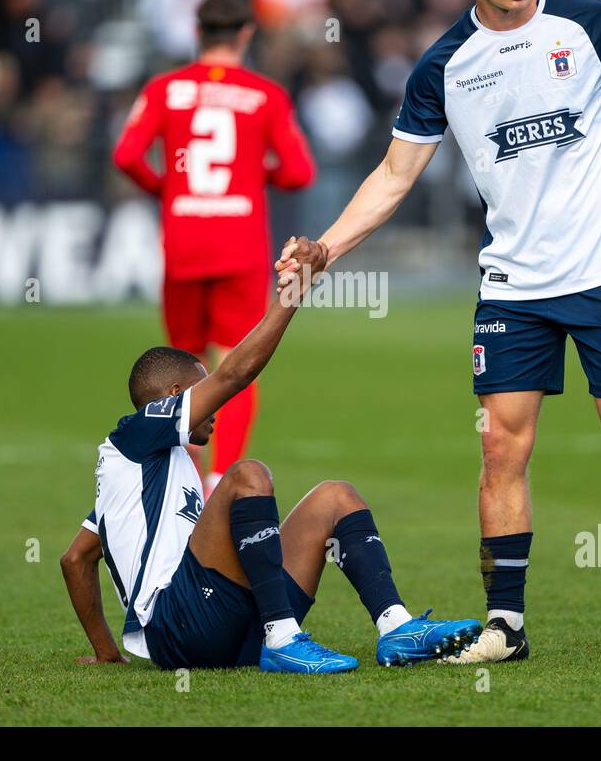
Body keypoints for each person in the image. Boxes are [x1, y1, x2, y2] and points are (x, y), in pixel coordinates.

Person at [278, 0, 601, 661]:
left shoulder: (592, 23)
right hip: (514, 286)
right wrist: (325, 249)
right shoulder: (444, 67)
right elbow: (393, 178)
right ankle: (506, 626)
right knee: (500, 450)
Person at [60, 237, 481, 673]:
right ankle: (282, 637)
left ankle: (397, 627)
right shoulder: (135, 433)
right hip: (178, 626)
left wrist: (107, 651)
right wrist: (292, 294)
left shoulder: (143, 475)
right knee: (245, 475)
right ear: (172, 398)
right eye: (201, 391)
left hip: (230, 633)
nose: (214, 407)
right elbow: (235, 373)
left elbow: (75, 559)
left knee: (336, 497)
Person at [113, 0, 315, 496]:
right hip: (240, 243)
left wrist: (165, 188)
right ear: (246, 34)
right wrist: (253, 173)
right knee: (235, 363)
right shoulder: (264, 94)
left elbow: (126, 155)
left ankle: (180, 480)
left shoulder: (166, 89)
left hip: (184, 239)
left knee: (181, 366)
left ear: (197, 33)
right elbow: (299, 171)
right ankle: (221, 481)